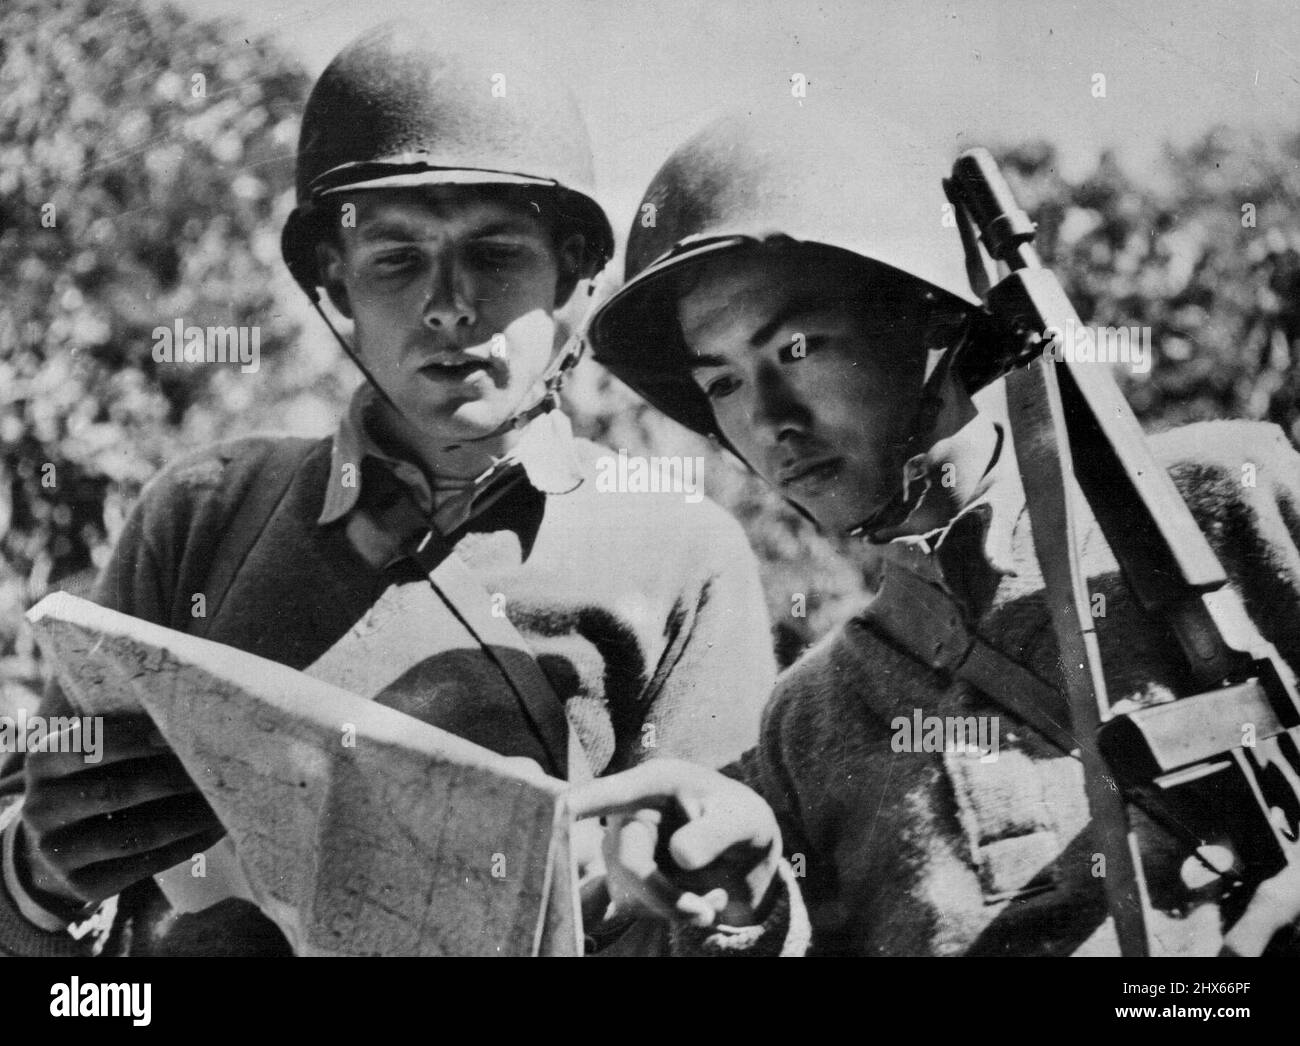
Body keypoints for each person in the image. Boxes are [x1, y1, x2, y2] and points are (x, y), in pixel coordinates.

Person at [0, 23, 776, 957]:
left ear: (571, 277)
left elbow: (724, 893)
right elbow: (49, 860)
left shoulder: (680, 550)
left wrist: (704, 896)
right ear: (337, 283)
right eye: (397, 260)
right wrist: (39, 884)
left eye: (495, 255)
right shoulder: (202, 511)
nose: (449, 304)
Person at [579, 107, 1300, 956]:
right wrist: (745, 912)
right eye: (725, 383)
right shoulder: (809, 723)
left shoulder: (1226, 498)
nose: (769, 420)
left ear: (930, 315)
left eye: (799, 348)